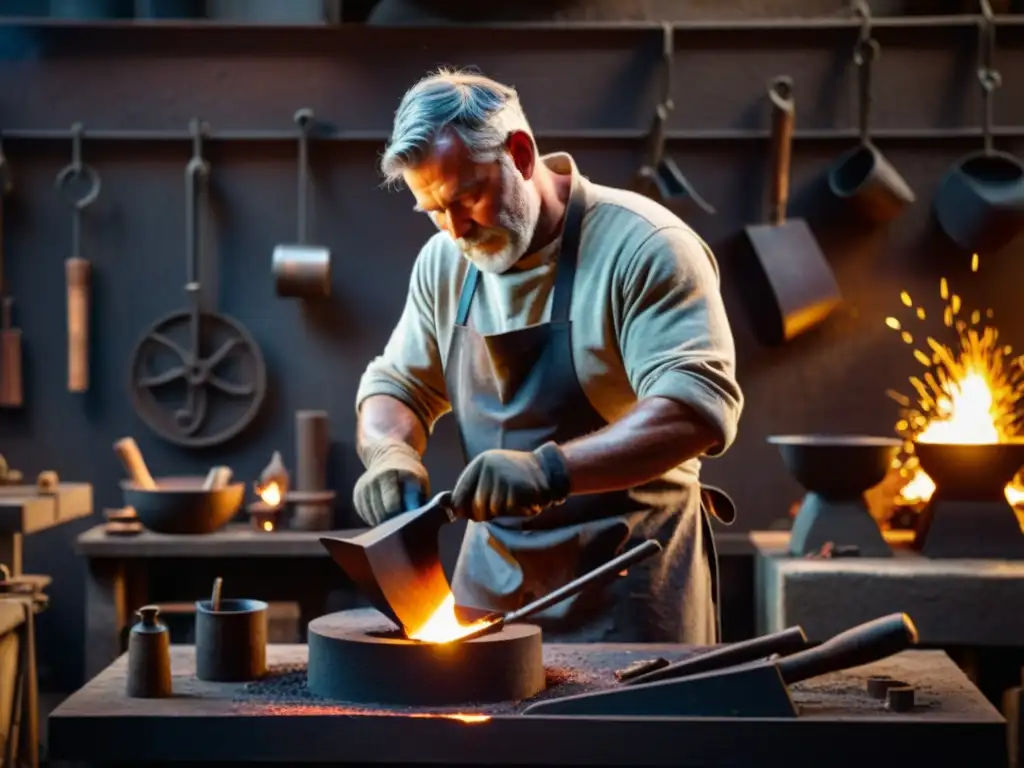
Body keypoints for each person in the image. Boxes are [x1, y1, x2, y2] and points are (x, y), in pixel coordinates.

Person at [352, 69, 743, 644]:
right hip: (491, 591)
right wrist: (388, 451)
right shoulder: (445, 262)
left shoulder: (646, 246)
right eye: (434, 211)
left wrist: (547, 470)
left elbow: (695, 408)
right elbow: (396, 387)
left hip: (627, 586)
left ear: (521, 153)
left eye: (467, 198)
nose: (456, 229)